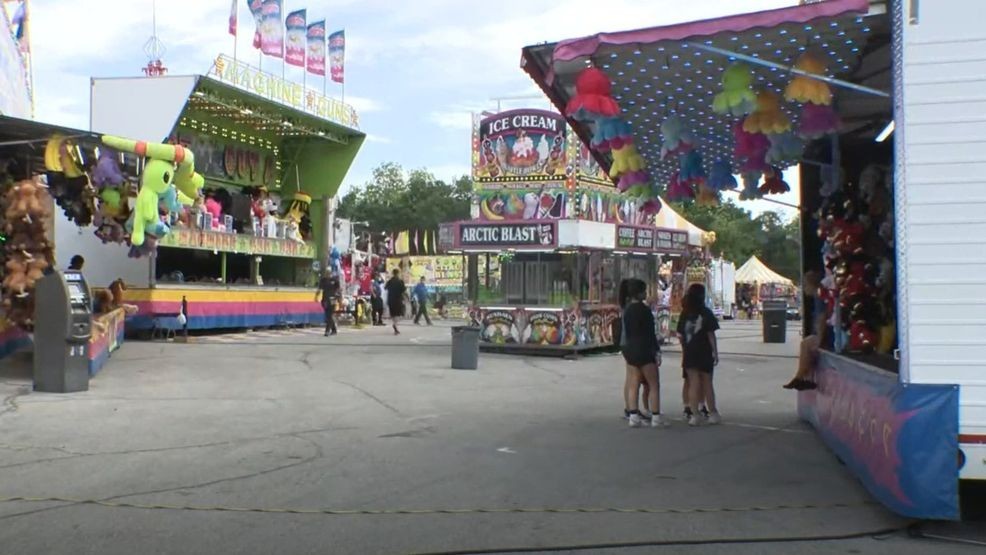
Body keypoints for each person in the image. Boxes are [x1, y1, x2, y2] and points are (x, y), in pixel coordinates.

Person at [621, 278, 669, 428]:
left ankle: (633, 416)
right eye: (644, 291)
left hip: (631, 349)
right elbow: (650, 333)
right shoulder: (645, 310)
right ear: (639, 293)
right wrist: (656, 351)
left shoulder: (627, 310)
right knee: (653, 384)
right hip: (645, 349)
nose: (646, 294)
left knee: (633, 384)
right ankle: (656, 417)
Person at [677, 283, 721, 426]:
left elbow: (680, 334)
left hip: (690, 352)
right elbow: (711, 335)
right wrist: (715, 352)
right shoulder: (706, 312)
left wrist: (685, 348)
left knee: (693, 383)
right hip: (704, 352)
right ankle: (713, 413)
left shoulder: (685, 313)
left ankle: (694, 415)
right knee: (707, 383)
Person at [784, 271, 826, 390]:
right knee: (806, 344)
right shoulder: (818, 297)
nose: (804, 289)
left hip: (821, 334)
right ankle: (801, 377)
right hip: (819, 332)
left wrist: (820, 339)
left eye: (806, 285)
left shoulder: (819, 298)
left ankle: (799, 377)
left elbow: (822, 318)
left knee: (805, 344)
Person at [314, 268, 341, 336]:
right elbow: (319, 289)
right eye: (327, 272)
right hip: (325, 299)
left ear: (331, 272)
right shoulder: (323, 280)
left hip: (333, 299)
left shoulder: (335, 280)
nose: (328, 273)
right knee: (328, 315)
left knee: (330, 315)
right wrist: (316, 296)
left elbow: (338, 290)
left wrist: (340, 299)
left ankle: (327, 331)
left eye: (329, 272)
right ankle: (334, 330)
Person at [385, 268, 407, 335]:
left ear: (393, 273)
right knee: (398, 314)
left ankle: (395, 325)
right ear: (398, 274)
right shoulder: (400, 281)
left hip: (390, 300)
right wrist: (406, 298)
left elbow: (385, 288)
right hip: (398, 300)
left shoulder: (390, 281)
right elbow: (404, 291)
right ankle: (395, 324)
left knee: (393, 313)